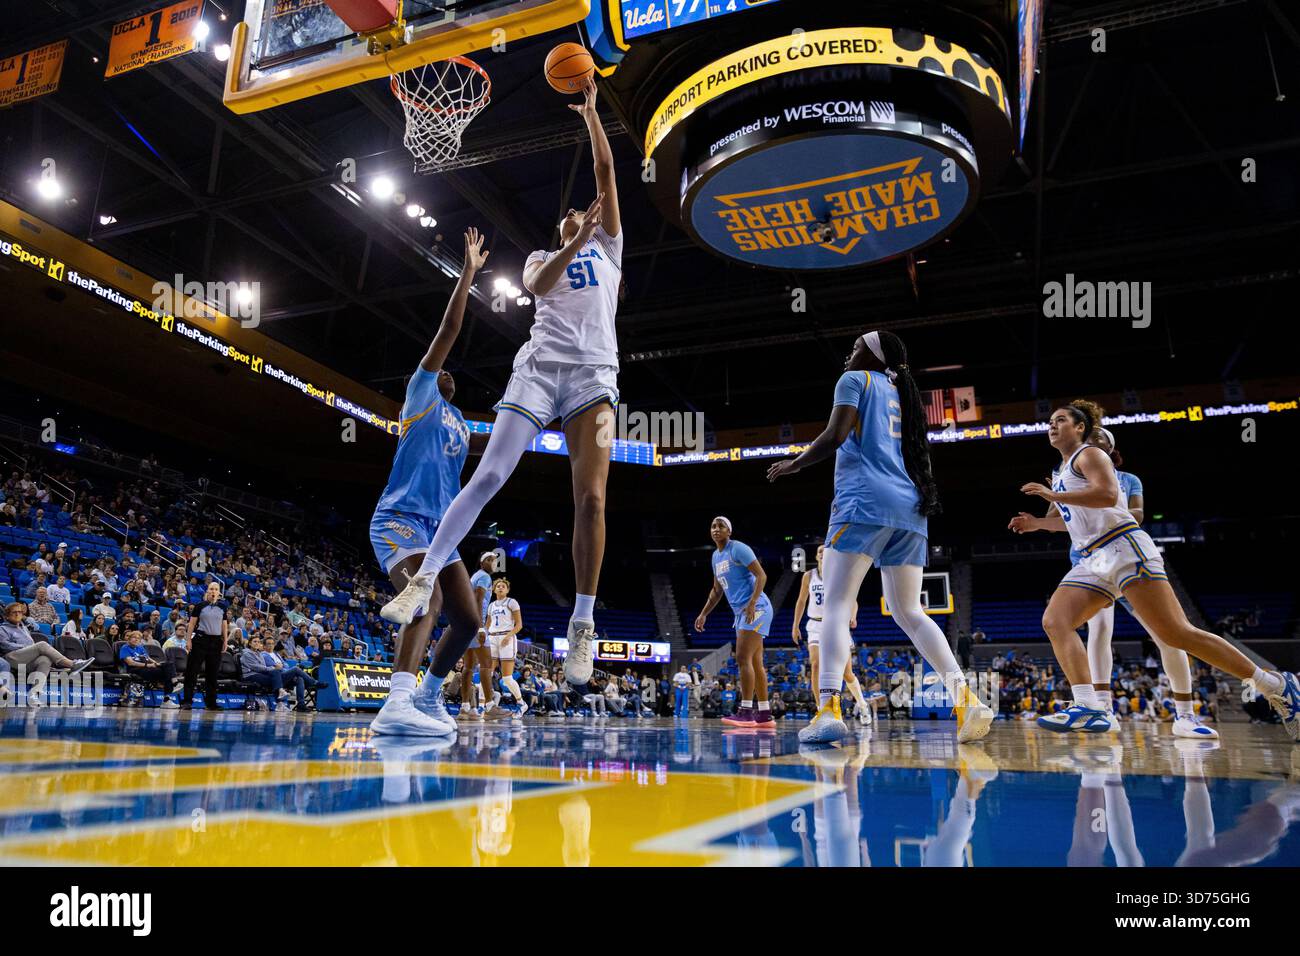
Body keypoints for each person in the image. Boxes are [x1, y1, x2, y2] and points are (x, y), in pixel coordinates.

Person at [382, 79, 624, 694]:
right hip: (539, 373)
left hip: (594, 379)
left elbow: (605, 169)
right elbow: (541, 290)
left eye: (584, 211)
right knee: (489, 476)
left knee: (592, 499)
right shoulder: (542, 256)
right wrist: (571, 238)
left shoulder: (612, 249)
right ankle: (422, 578)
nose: (579, 210)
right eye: (569, 213)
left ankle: (583, 623)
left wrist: (593, 113)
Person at [1008, 399, 1300, 737]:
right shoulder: (1061, 472)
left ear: (1080, 428)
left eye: (1061, 420)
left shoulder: (1090, 455)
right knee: (1055, 621)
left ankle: (1274, 684)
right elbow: (1072, 523)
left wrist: (1054, 497)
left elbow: (1105, 495)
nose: (1052, 425)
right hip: (1093, 558)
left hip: (1123, 547)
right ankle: (1088, 706)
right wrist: (1037, 524)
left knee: (1176, 633)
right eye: (1050, 422)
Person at [769, 330, 993, 745]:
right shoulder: (904, 395)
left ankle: (829, 708)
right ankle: (966, 698)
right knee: (910, 612)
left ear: (872, 356)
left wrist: (796, 463)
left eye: (856, 349)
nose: (848, 355)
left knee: (836, 604)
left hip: (863, 502)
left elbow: (835, 436)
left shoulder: (855, 381)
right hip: (910, 507)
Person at [365, 229, 492, 737]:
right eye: (443, 370)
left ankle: (427, 695)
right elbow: (450, 327)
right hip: (399, 519)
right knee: (426, 599)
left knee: (467, 620)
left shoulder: (461, 421)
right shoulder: (421, 395)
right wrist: (468, 274)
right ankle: (395, 703)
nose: (449, 374)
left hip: (443, 531)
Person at [1013, 425, 1215, 740]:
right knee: (1099, 631)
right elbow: (1063, 522)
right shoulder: (1066, 473)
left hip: (1124, 555)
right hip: (1089, 563)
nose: (1092, 442)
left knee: (1166, 635)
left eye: (1100, 440)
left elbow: (1136, 515)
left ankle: (1186, 715)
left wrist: (1093, 502)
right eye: (1088, 438)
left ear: (1110, 450)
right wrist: (1039, 520)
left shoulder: (1127, 480)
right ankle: (1103, 709)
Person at [694, 517, 776, 730]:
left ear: (729, 531)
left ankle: (746, 712)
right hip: (742, 612)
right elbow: (716, 591)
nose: (716, 529)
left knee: (742, 657)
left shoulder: (738, 548)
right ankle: (765, 714)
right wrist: (703, 614)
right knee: (756, 662)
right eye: (713, 526)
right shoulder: (715, 557)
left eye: (720, 526)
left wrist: (752, 603)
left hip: (756, 608)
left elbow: (762, 576)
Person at [791, 544, 870, 723]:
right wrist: (795, 625)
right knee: (816, 664)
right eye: (819, 552)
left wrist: (853, 615)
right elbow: (801, 601)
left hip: (837, 624)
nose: (822, 554)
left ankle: (863, 705)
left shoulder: (840, 575)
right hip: (816, 625)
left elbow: (853, 601)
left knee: (847, 672)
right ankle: (821, 710)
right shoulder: (808, 576)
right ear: (817, 556)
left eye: (825, 551)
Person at [0, 602, 91, 704]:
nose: (17, 614)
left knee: (45, 660)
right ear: (7, 616)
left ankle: (34, 694)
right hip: (11, 658)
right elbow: (4, 645)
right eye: (14, 612)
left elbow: (33, 635)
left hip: (26, 660)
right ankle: (72, 664)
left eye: (20, 612)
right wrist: (27, 647)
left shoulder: (24, 628)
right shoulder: (2, 629)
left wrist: (30, 649)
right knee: (42, 645)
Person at [461, 551, 499, 716]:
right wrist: (481, 627)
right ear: (482, 562)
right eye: (489, 560)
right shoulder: (484, 576)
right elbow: (477, 599)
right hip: (476, 624)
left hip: (467, 623)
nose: (493, 562)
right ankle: (490, 706)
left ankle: (465, 707)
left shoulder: (475, 575)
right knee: (486, 664)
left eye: (494, 560)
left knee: (468, 667)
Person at [484, 577, 526, 718]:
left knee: (507, 678)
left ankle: (521, 704)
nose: (500, 588)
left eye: (503, 586)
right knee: (487, 674)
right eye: (498, 586)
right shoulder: (491, 606)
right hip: (492, 637)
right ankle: (482, 706)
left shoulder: (511, 602)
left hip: (507, 638)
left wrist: (508, 636)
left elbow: (519, 625)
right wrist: (483, 635)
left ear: (507, 590)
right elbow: (487, 624)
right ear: (494, 589)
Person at [182, 582, 227, 710]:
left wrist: (225, 641)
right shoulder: (200, 606)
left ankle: (211, 703)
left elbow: (224, 624)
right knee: (192, 672)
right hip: (200, 640)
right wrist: (188, 640)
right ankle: (187, 701)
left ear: (219, 592)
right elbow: (191, 624)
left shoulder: (223, 607)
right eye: (211, 589)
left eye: (216, 589)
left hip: (216, 642)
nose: (213, 591)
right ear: (207, 591)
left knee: (212, 674)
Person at [118, 630, 179, 708]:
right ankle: (168, 697)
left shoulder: (140, 647)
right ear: (129, 639)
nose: (136, 639)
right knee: (167, 673)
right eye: (134, 637)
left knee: (169, 664)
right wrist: (148, 665)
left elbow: (148, 658)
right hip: (136, 669)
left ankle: (174, 682)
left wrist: (156, 663)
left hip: (147, 667)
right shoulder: (125, 648)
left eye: (138, 638)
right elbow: (131, 663)